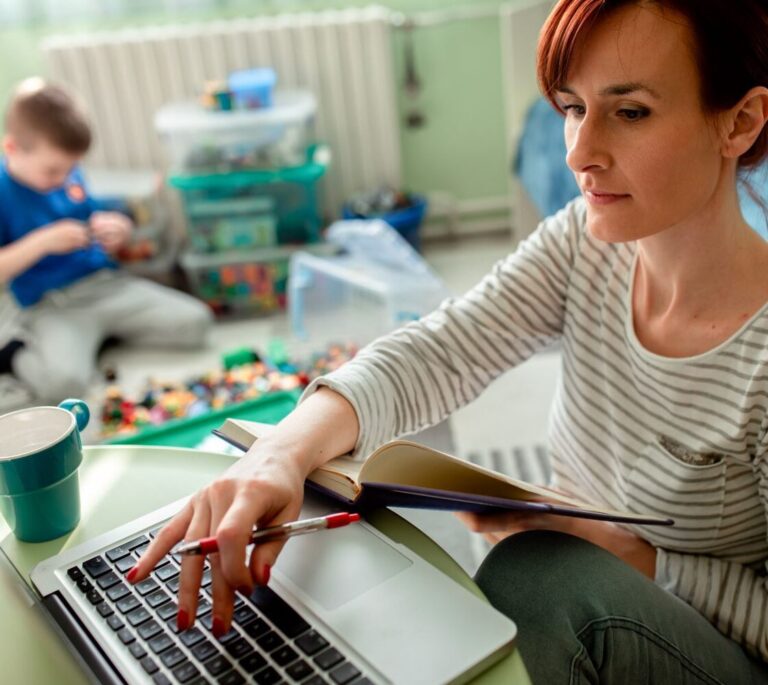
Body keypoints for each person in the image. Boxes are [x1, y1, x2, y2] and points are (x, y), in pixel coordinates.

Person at [132, 0, 768, 681]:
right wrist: (279, 453)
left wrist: (618, 551)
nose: (580, 153)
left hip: (711, 644)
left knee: (540, 578)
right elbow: (441, 348)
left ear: (739, 122)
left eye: (630, 111)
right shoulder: (583, 245)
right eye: (572, 107)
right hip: (590, 574)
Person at [0, 78, 212, 402]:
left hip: (105, 285)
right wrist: (41, 242)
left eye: (71, 169)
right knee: (63, 386)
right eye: (53, 170)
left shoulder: (68, 174)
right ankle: (15, 353)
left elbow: (95, 219)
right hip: (52, 304)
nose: (63, 178)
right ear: (12, 148)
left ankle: (97, 338)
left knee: (196, 323)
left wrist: (119, 229)